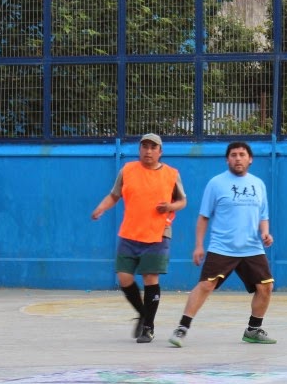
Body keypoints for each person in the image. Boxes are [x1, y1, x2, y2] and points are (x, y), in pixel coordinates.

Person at [168, 141, 276, 347]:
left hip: (252, 247)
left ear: (250, 159)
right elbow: (203, 217)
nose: (238, 158)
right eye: (233, 155)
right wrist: (199, 245)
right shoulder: (216, 184)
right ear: (227, 159)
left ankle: (253, 329)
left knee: (266, 287)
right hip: (222, 247)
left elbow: (263, 215)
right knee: (206, 285)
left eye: (242, 154)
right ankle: (182, 328)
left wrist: (265, 233)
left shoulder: (258, 185)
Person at [91, 133, 186, 343]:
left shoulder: (171, 174)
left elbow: (182, 201)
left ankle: (148, 327)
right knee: (124, 278)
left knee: (150, 278)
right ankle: (142, 313)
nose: (149, 151)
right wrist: (101, 208)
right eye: (145, 147)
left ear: (160, 152)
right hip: (130, 232)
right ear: (139, 149)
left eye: (153, 147)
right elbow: (115, 195)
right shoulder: (127, 171)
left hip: (158, 232)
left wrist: (170, 207)